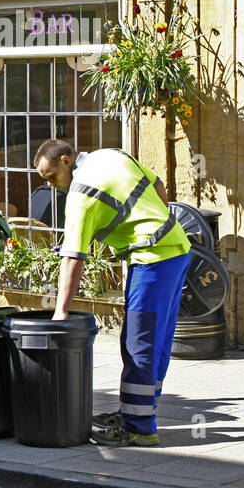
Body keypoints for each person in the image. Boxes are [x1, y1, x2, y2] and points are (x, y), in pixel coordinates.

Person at [34, 138, 191, 447]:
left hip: (151, 259)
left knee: (138, 343)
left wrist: (60, 312)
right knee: (156, 340)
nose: (52, 185)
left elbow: (72, 257)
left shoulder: (80, 193)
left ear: (66, 161)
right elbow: (158, 186)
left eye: (51, 176)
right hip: (176, 250)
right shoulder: (110, 155)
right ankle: (137, 413)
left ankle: (139, 428)